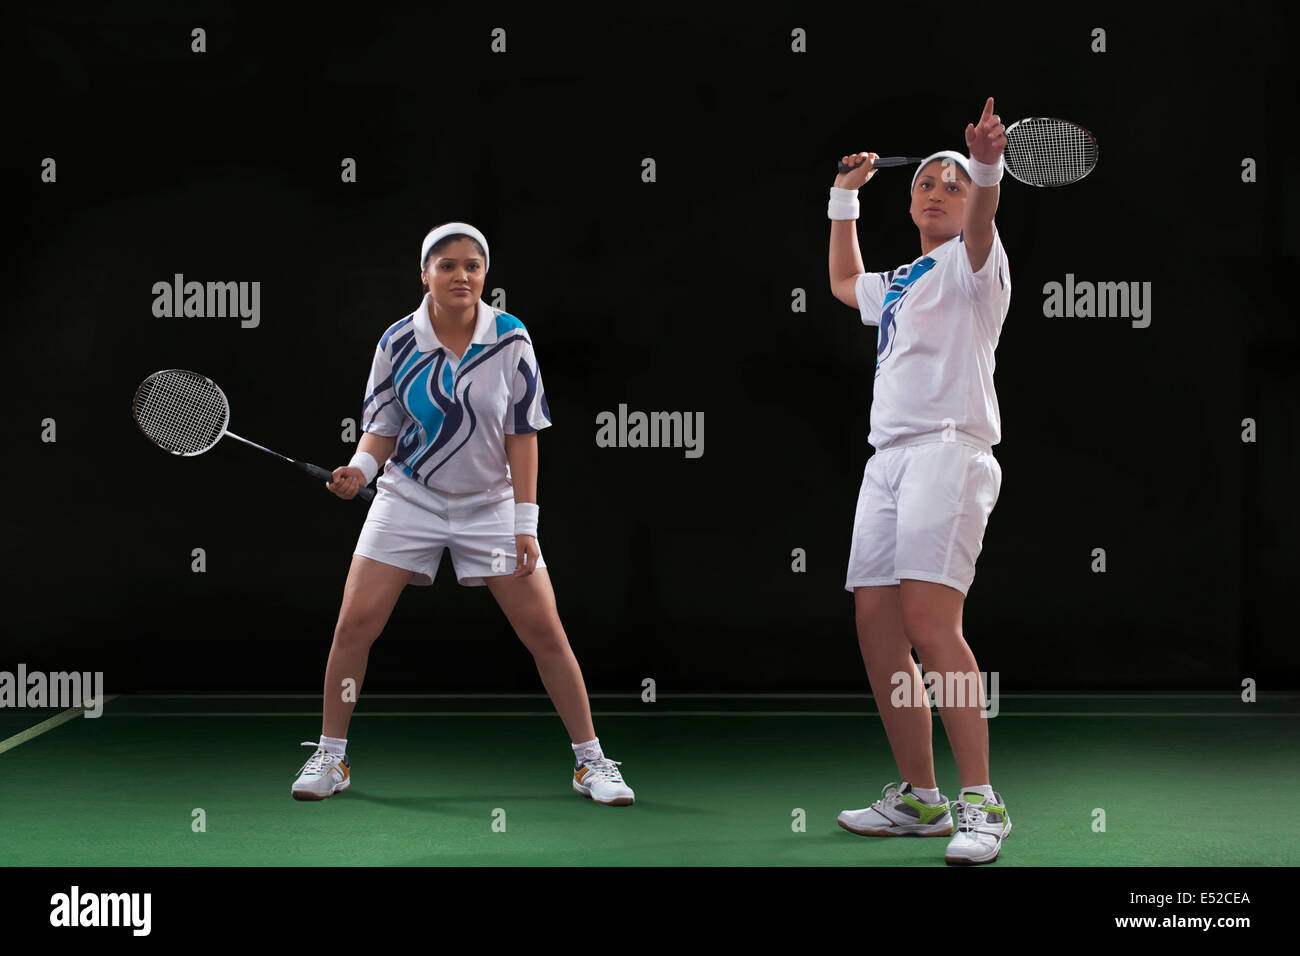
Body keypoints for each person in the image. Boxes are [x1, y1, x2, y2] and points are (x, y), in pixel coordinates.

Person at [290, 221, 634, 807]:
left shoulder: (511, 338)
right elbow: (383, 428)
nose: (461, 275)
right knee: (354, 625)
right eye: (447, 265)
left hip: (491, 505)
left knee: (546, 633)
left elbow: (522, 434)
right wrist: (360, 471)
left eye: (472, 265)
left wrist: (526, 523)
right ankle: (331, 755)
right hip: (410, 498)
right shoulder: (397, 342)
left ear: (485, 274)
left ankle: (592, 763)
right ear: (424, 274)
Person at [826, 98, 1012, 865]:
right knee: (878, 632)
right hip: (889, 460)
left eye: (953, 183)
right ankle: (920, 799)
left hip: (949, 452)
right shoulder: (902, 278)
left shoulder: (976, 265)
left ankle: (982, 802)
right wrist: (844, 196)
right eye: (928, 182)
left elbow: (985, 211)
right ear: (910, 200)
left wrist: (988, 164)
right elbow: (844, 283)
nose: (937, 188)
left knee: (934, 628)